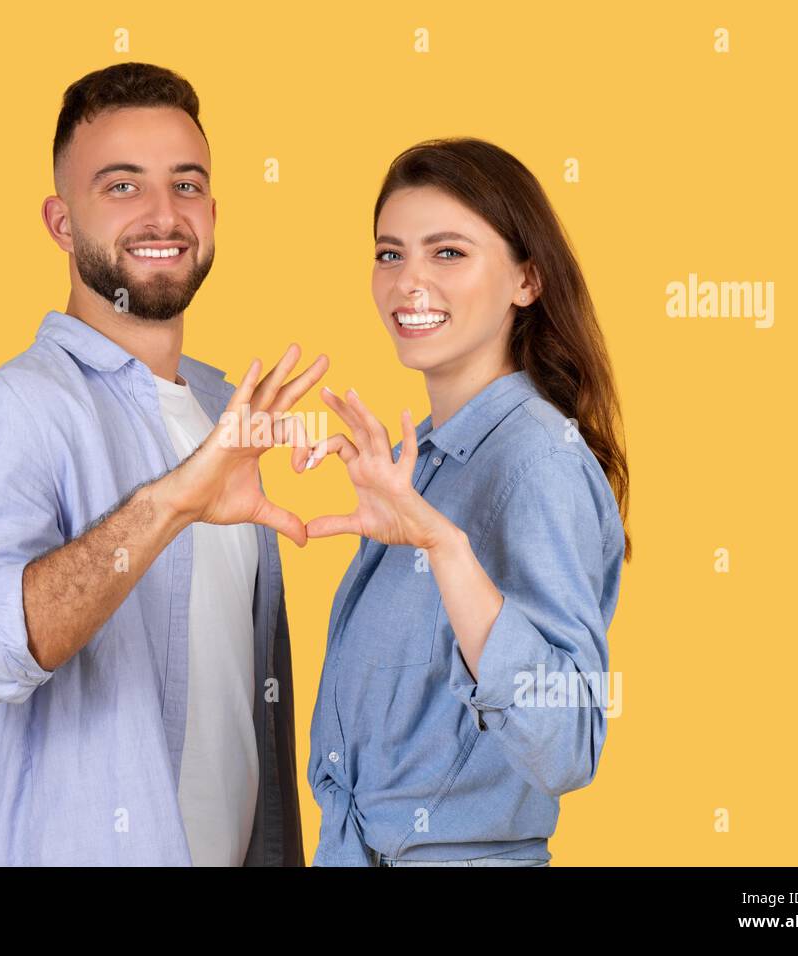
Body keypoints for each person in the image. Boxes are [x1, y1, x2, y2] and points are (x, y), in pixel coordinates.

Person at [0, 62, 325, 865]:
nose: (163, 214)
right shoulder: (17, 408)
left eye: (187, 183)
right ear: (61, 223)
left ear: (213, 211)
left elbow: (240, 709)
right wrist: (168, 504)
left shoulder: (221, 409)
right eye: (121, 187)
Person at [304, 138, 632, 867]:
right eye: (390, 254)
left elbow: (569, 743)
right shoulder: (425, 460)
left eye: (447, 252)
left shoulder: (537, 460)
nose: (408, 282)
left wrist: (446, 549)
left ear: (527, 280)